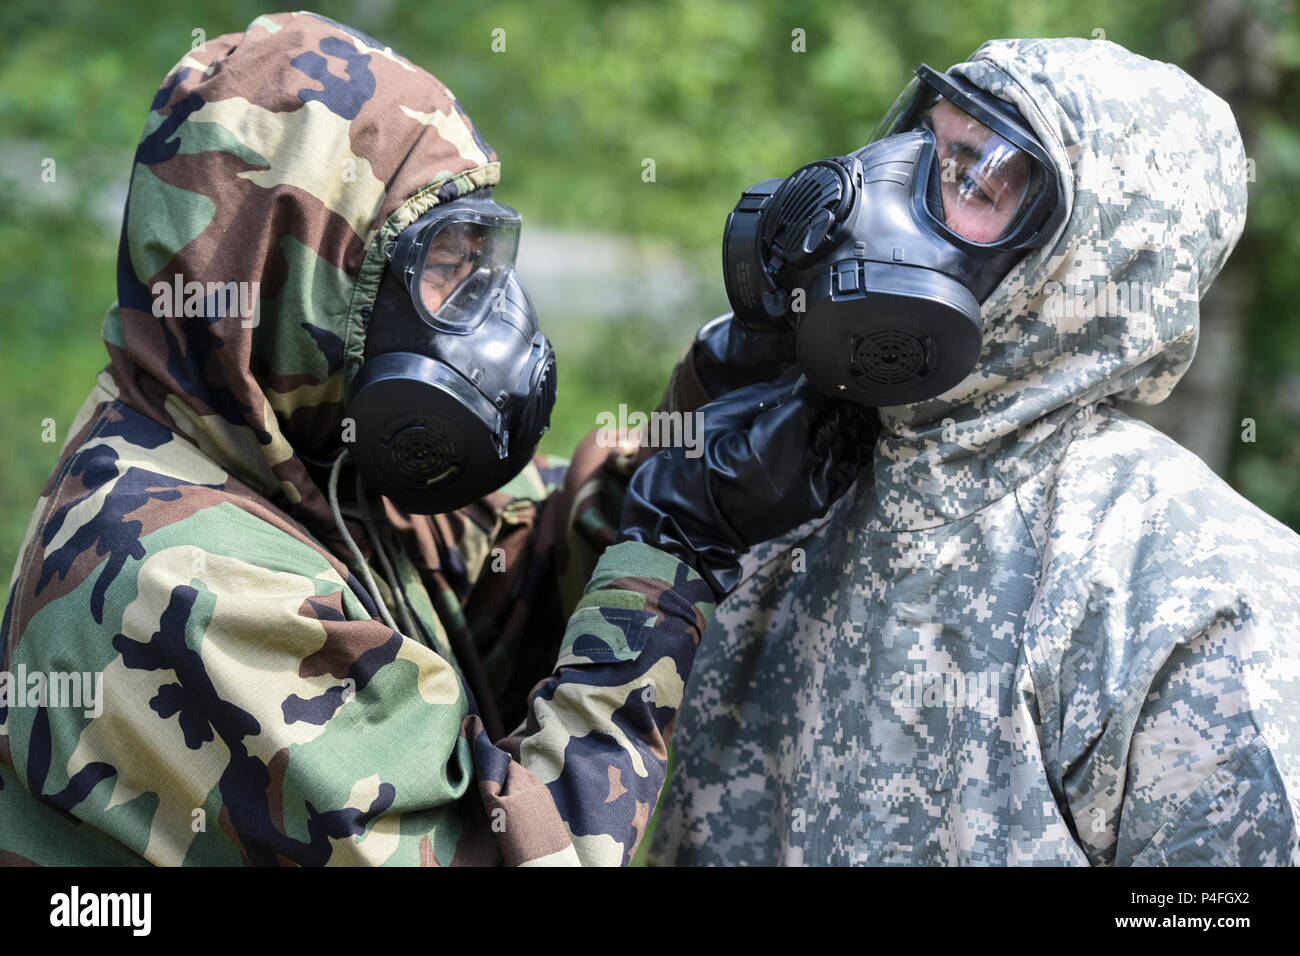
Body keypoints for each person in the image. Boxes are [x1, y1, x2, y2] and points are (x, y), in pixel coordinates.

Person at [0, 11, 872, 867]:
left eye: (483, 259)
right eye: (443, 267)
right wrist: (677, 550)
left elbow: (510, 583)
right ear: (295, 276)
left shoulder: (306, 454)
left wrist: (708, 405)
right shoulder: (182, 583)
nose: (484, 313)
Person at [651, 36, 1300, 866]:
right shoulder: (791, 472)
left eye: (972, 176)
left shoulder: (1186, 592)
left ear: (1082, 271)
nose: (887, 192)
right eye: (923, 145)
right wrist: (686, 444)